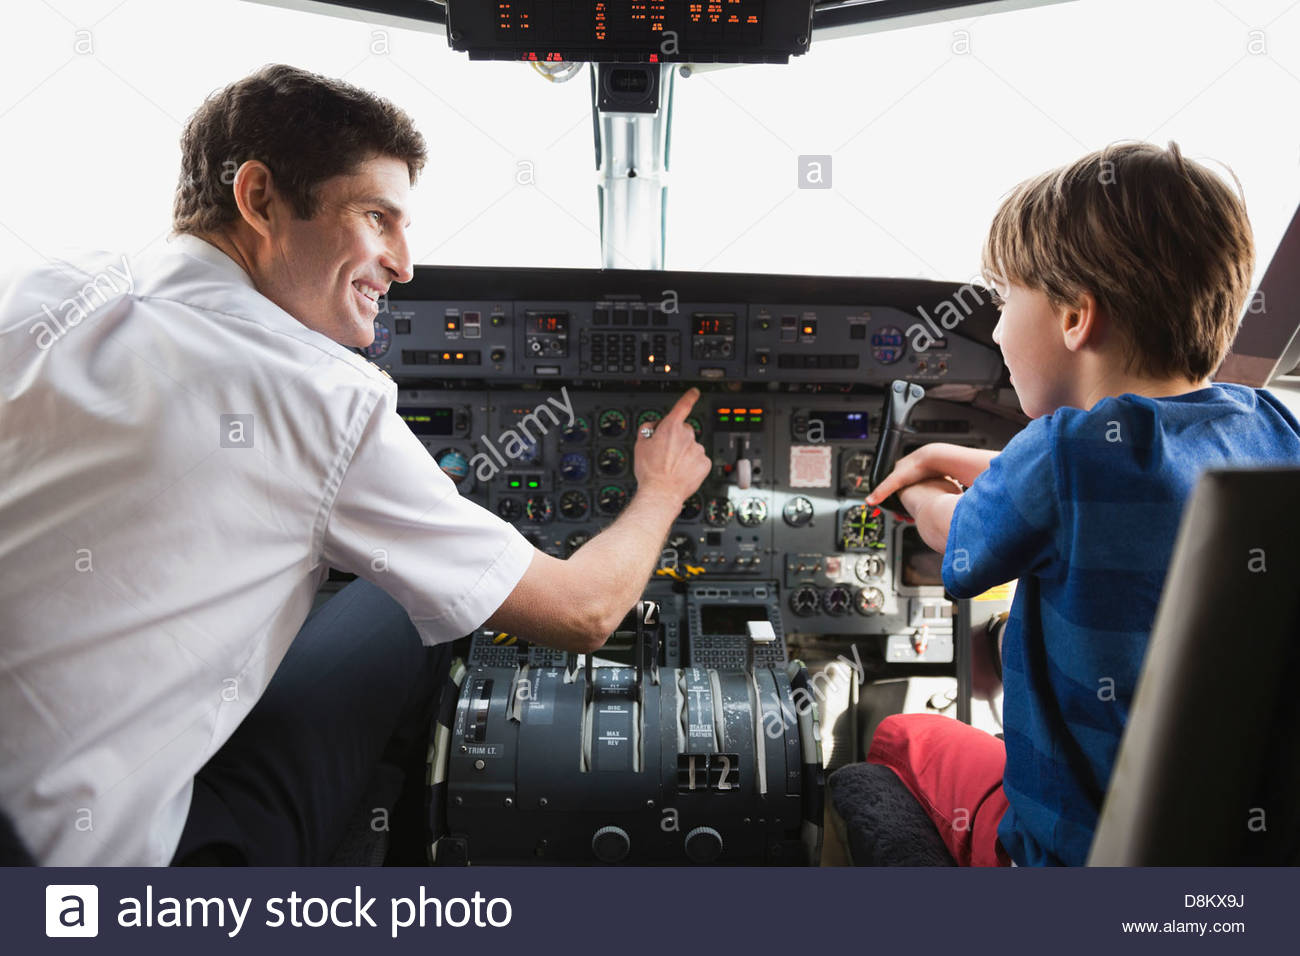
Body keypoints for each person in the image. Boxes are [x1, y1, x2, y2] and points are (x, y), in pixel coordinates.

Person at [0, 64, 711, 866]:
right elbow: (585, 613)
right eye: (378, 218)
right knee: (404, 601)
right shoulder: (323, 395)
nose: (404, 264)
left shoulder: (40, 294)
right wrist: (660, 490)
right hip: (106, 877)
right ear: (259, 196)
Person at [865, 141, 1300, 866]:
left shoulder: (1062, 451)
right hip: (1236, 857)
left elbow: (960, 540)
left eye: (1004, 302)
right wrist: (987, 464)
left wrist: (915, 489)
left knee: (896, 742)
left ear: (1075, 318)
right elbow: (1128, 476)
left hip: (1066, 860)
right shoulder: (1271, 425)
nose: (998, 330)